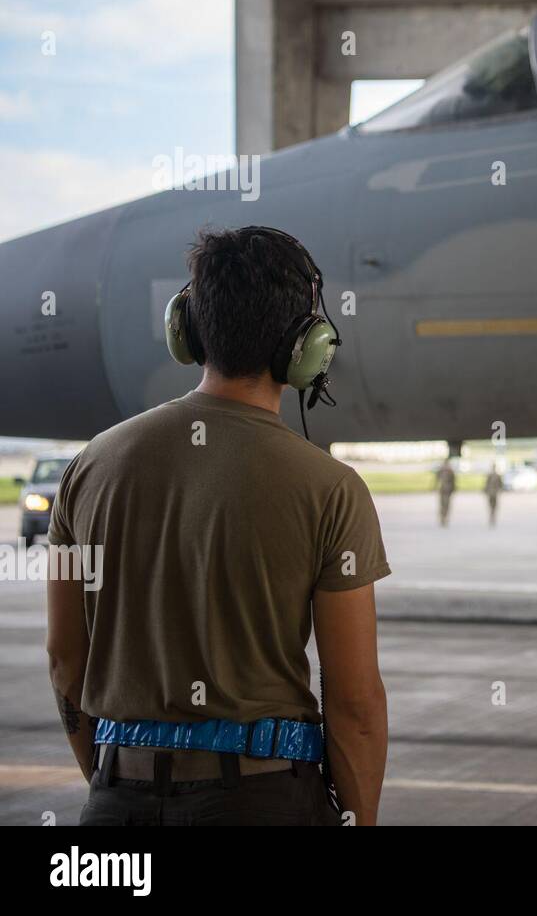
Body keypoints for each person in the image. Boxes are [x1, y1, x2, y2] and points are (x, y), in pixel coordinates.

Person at [46, 226, 390, 826]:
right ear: (307, 346)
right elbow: (355, 704)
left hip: (115, 802)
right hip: (260, 801)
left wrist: (114, 778)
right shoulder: (332, 490)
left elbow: (64, 658)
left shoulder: (87, 469)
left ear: (187, 328)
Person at [436, 459, 456, 527]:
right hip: (442, 491)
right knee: (442, 505)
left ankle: (445, 518)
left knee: (446, 505)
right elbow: (436, 479)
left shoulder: (450, 471)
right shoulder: (440, 471)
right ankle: (442, 518)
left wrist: (453, 489)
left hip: (448, 491)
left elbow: (453, 481)